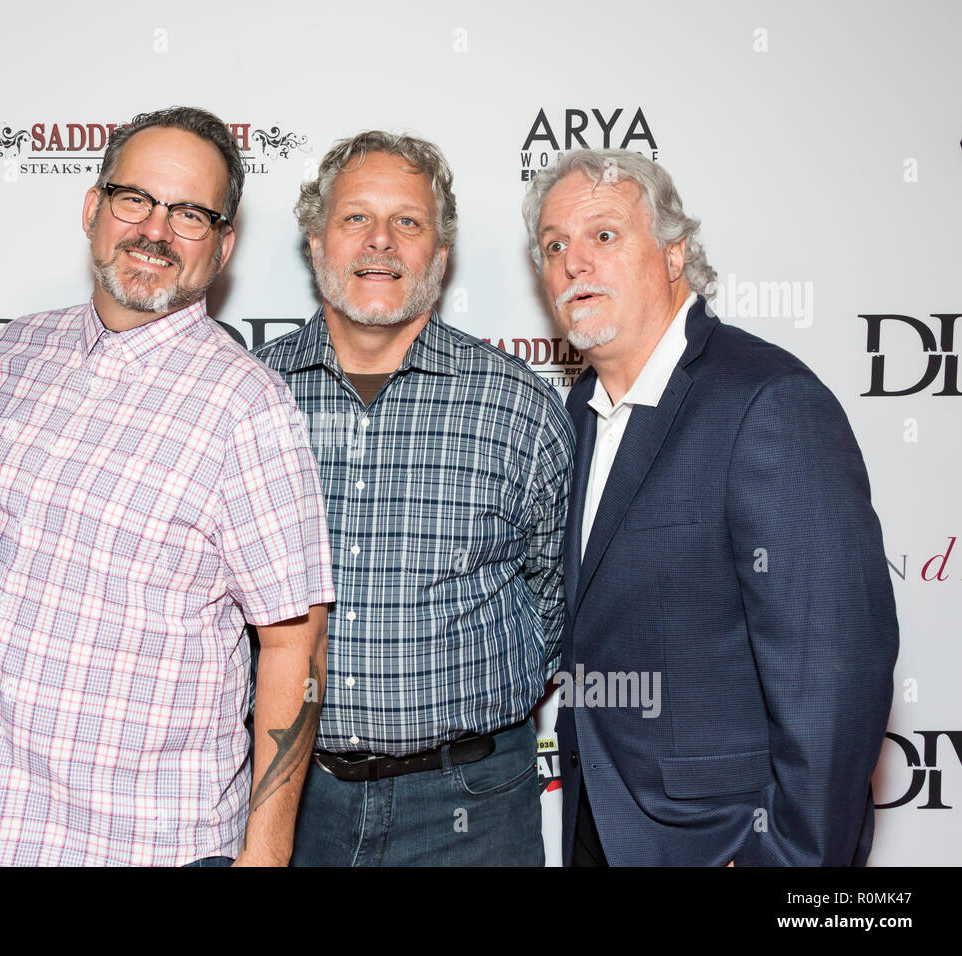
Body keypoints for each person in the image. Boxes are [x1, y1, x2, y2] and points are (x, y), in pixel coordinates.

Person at [0, 106, 333, 867]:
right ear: (92, 208)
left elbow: (293, 647)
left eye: (191, 214)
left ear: (224, 245)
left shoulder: (249, 409)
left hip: (153, 843)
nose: (155, 231)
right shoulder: (10, 354)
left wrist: (265, 856)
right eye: (134, 199)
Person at [523, 149, 898, 866]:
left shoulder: (766, 402)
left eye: (603, 236)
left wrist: (784, 862)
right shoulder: (577, 412)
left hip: (725, 844)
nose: (574, 263)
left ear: (673, 253)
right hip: (602, 833)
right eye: (553, 245)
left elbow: (834, 673)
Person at [255, 132, 574, 866]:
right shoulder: (249, 397)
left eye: (408, 222)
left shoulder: (517, 407)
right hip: (289, 797)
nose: (380, 242)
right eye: (354, 218)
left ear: (440, 253)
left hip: (472, 802)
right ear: (315, 243)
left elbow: (554, 599)